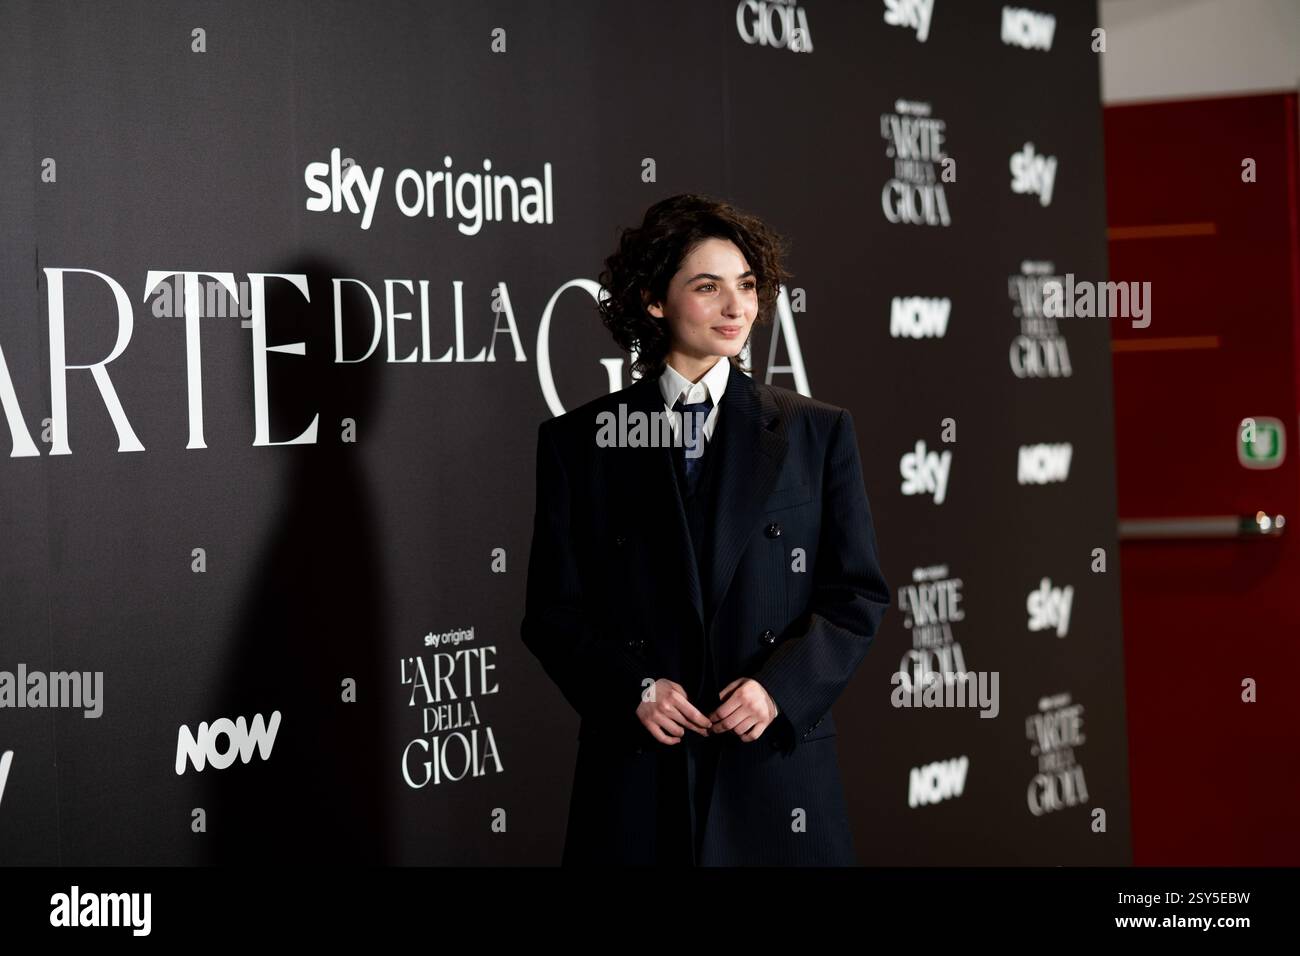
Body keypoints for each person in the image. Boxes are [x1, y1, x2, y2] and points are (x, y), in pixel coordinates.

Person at [521, 193, 890, 865]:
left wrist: (779, 688)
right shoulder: (578, 443)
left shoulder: (816, 432)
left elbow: (857, 594)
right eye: (708, 287)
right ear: (653, 302)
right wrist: (632, 687)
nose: (736, 308)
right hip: (638, 778)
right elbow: (553, 612)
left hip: (774, 776)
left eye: (747, 287)